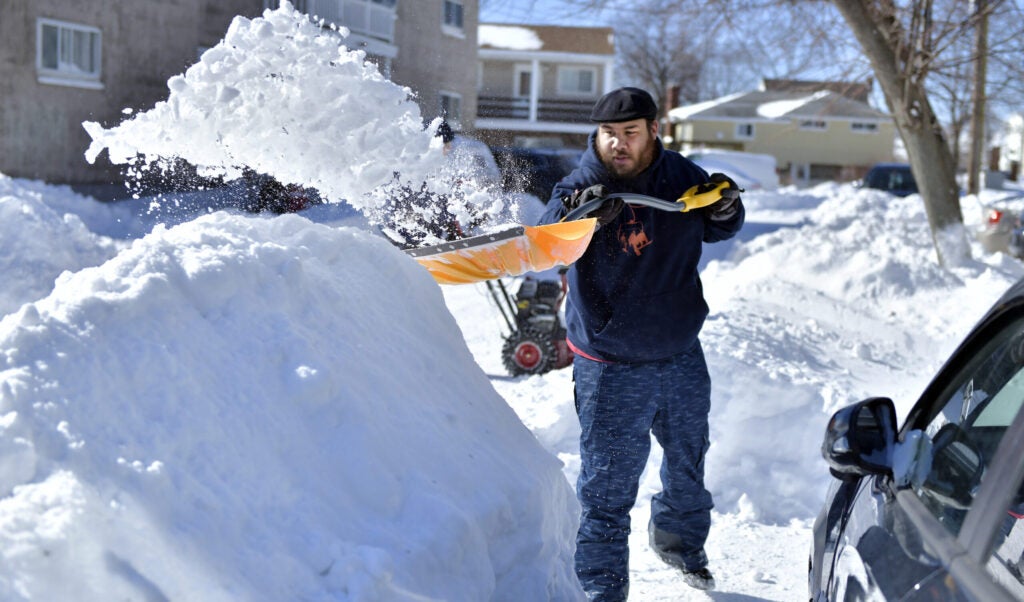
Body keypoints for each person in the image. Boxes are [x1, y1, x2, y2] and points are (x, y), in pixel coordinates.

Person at [536, 87, 744, 601]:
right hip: (611, 363)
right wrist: (577, 219)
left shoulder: (681, 176)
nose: (618, 145)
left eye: (630, 133)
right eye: (609, 134)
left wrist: (725, 207)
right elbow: (545, 244)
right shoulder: (583, 184)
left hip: (679, 351)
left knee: (688, 467)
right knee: (607, 491)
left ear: (655, 130)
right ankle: (602, 591)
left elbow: (721, 227)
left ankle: (680, 545)